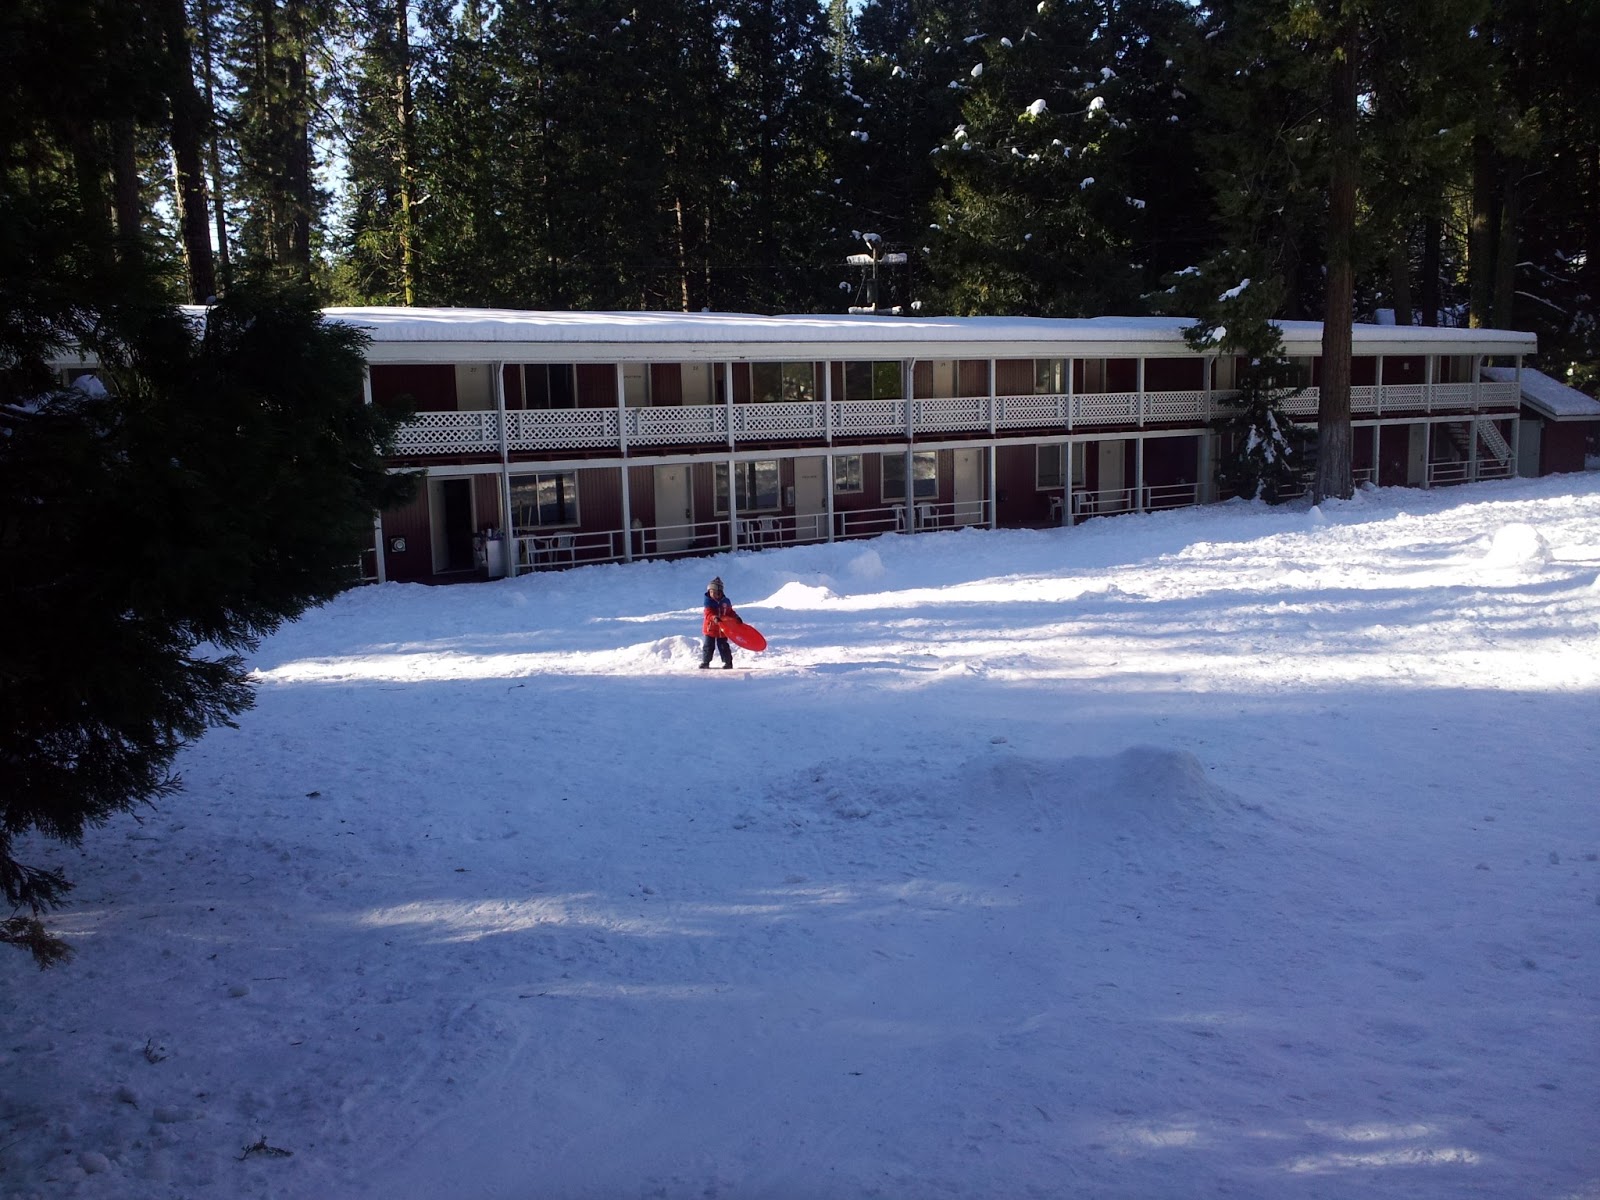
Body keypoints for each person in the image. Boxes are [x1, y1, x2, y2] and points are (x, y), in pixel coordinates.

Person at [700, 576, 736, 669]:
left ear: (720, 592)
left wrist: (736, 617)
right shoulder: (708, 602)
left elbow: (730, 612)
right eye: (711, 592)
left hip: (722, 629)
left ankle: (728, 662)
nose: (712, 594)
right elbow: (708, 613)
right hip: (710, 629)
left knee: (723, 646)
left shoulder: (726, 602)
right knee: (708, 646)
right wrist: (714, 617)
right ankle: (706, 662)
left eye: (714, 592)